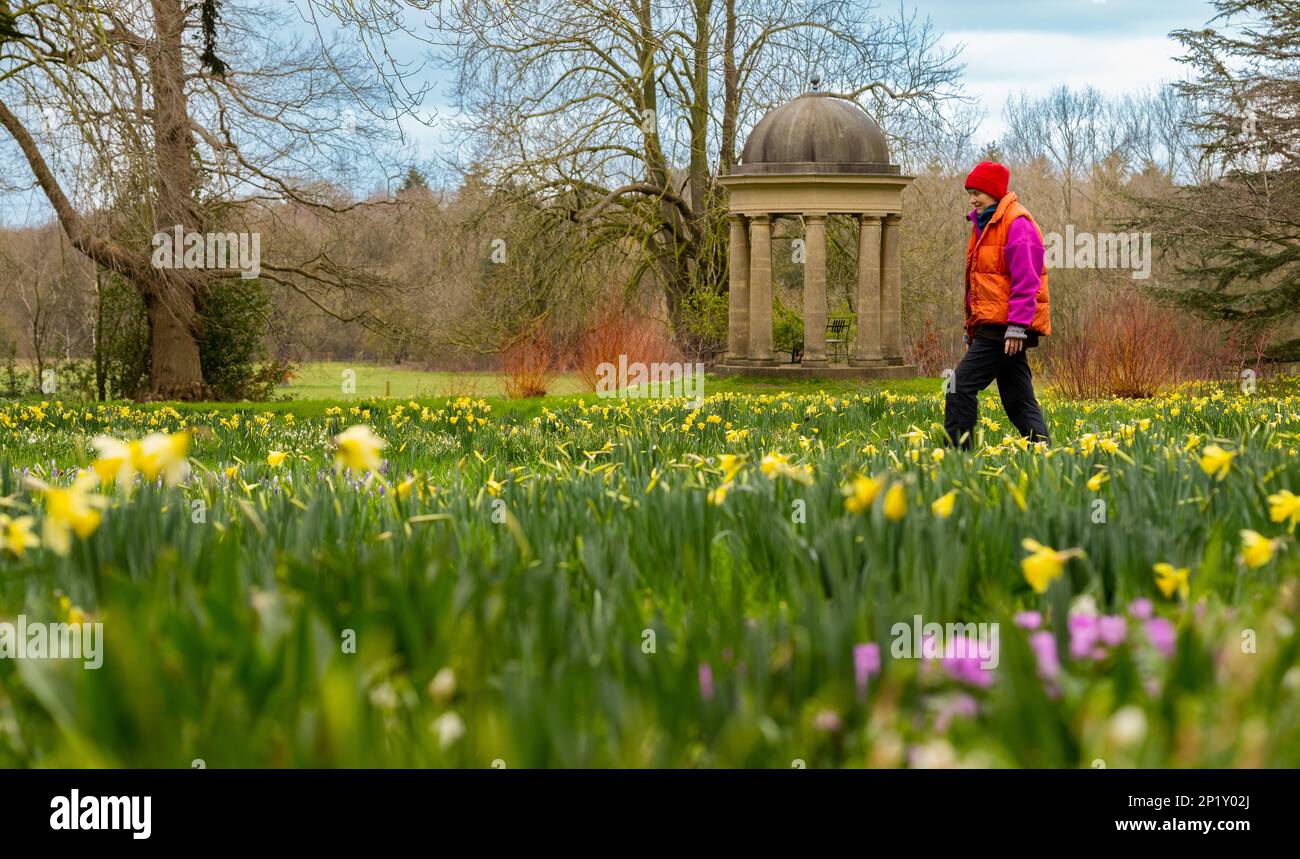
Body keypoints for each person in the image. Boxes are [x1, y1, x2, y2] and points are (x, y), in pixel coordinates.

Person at [944, 161, 1051, 449]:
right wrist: (971, 326)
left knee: (958, 386)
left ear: (994, 192)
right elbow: (979, 284)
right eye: (970, 192)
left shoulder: (1017, 223)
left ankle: (957, 458)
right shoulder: (985, 225)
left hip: (1006, 326)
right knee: (1018, 398)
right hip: (994, 324)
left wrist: (1017, 326)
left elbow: (1028, 280)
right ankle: (1044, 453)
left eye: (978, 192)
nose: (972, 199)